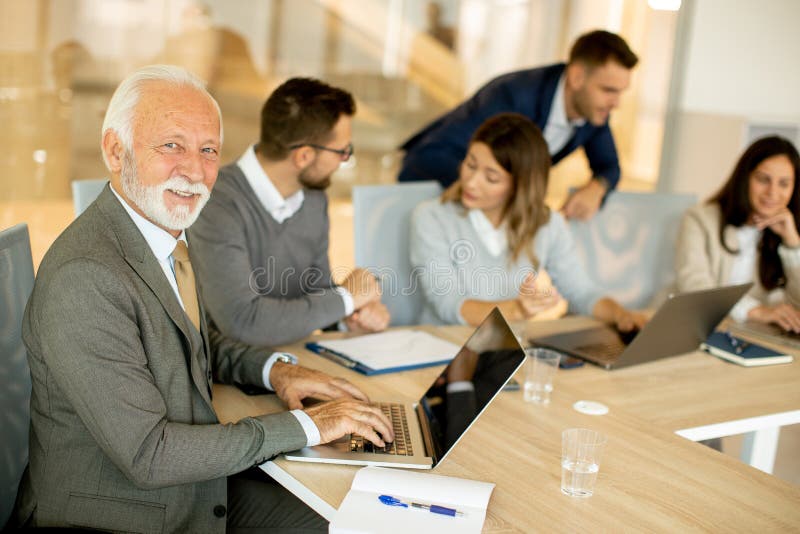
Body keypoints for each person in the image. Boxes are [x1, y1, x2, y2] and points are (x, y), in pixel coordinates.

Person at [13, 65, 394, 532]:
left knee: (357, 512)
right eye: (171, 145)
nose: (194, 170)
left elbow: (197, 343)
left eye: (208, 150)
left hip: (191, 488)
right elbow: (150, 455)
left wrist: (278, 370)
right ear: (116, 150)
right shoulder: (87, 277)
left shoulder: (164, 240)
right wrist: (312, 426)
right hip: (125, 515)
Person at [189, 77, 390, 347]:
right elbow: (243, 321)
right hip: (229, 375)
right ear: (304, 156)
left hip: (297, 360)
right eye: (343, 152)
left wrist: (352, 316)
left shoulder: (313, 200)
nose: (344, 160)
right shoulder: (215, 203)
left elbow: (316, 293)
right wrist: (345, 299)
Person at [409, 112, 646, 331]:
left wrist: (620, 315)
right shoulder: (432, 217)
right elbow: (447, 303)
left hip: (503, 353)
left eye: (491, 177)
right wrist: (516, 309)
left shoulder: (548, 224)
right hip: (443, 350)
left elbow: (580, 291)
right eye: (470, 164)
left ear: (519, 186)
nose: (471, 182)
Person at [399, 29, 638, 220]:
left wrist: (597, 188)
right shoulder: (513, 95)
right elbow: (431, 155)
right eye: (608, 90)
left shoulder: (592, 113)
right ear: (577, 77)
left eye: (620, 93)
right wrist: (506, 195)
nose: (616, 103)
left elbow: (609, 167)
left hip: (480, 211)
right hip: (427, 188)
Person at [675, 136, 800, 333]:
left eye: (784, 184)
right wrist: (756, 311)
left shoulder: (787, 231)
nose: (773, 193)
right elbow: (695, 289)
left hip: (751, 337)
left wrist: (792, 244)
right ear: (745, 178)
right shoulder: (699, 219)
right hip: (692, 329)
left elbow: (797, 304)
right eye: (763, 179)